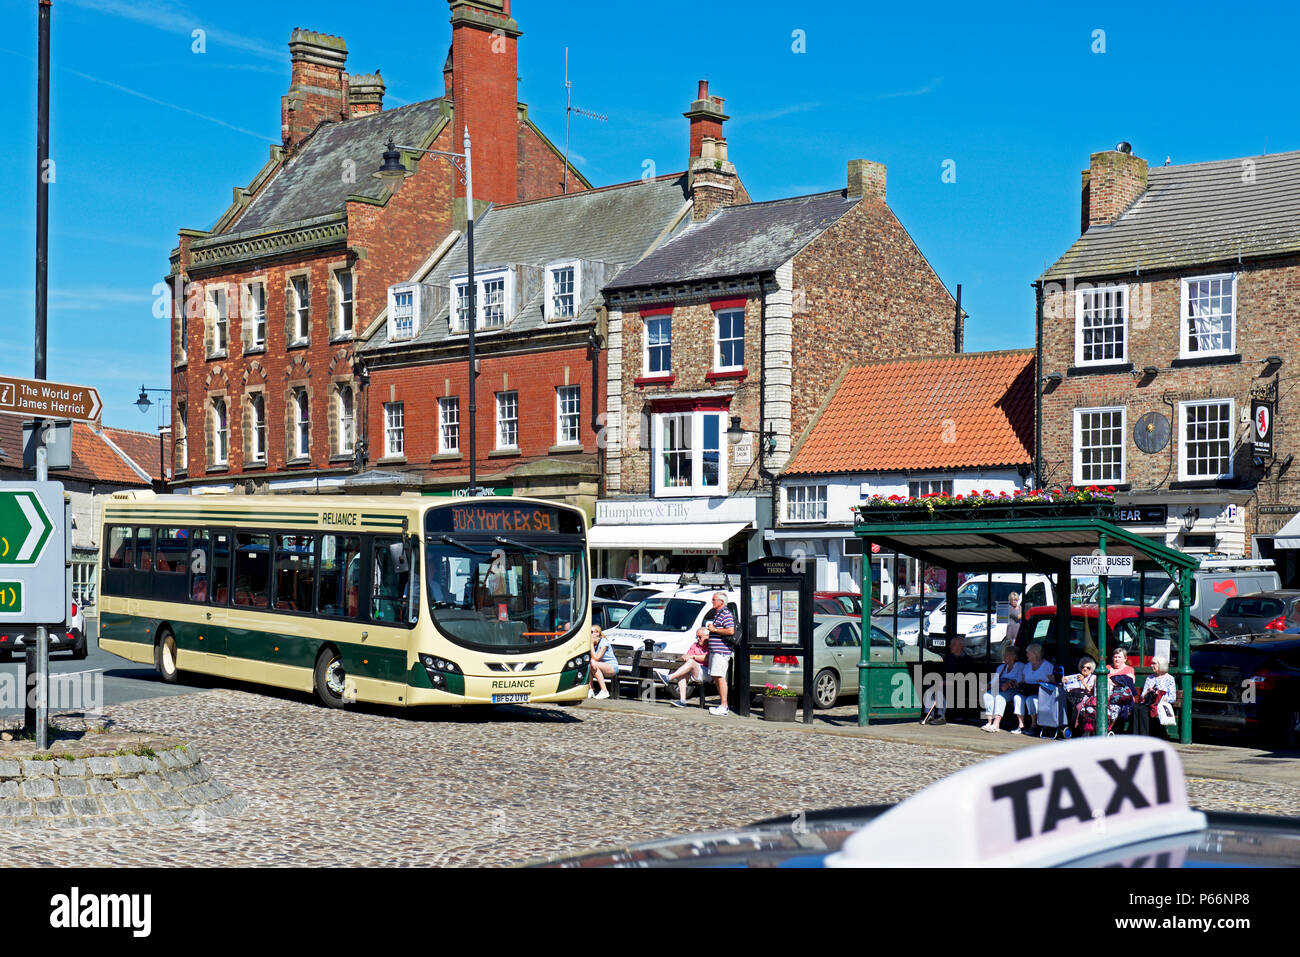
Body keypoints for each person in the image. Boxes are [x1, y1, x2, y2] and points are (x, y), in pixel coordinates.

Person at [926, 635, 975, 726]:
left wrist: (945, 682)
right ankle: (929, 715)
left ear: (961, 646)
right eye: (951, 644)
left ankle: (941, 716)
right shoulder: (949, 659)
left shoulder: (967, 661)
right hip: (948, 684)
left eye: (954, 644)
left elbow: (964, 679)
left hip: (962, 687)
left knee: (940, 689)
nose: (950, 646)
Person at [657, 628, 709, 707]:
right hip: (694, 673)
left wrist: (693, 657)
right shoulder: (694, 645)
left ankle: (668, 678)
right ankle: (682, 700)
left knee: (691, 662)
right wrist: (686, 657)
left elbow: (707, 658)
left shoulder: (711, 645)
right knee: (683, 673)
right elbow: (688, 657)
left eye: (700, 637)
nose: (698, 639)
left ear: (707, 636)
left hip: (707, 673)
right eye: (697, 637)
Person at [982, 644, 1026, 732]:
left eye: (1006, 654)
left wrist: (1008, 684)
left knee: (999, 697)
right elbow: (994, 680)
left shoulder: (1020, 666)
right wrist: (987, 686)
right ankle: (989, 722)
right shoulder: (1001, 667)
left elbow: (1019, 680)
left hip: (1013, 689)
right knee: (987, 695)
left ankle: (996, 723)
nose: (1004, 656)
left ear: (1013, 656)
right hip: (1000, 688)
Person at [705, 592, 736, 716]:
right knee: (716, 677)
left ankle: (724, 705)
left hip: (721, 651)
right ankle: (722, 705)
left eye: (714, 599)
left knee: (720, 677)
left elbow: (730, 630)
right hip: (715, 650)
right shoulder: (718, 614)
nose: (712, 601)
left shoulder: (726, 614)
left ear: (721, 602)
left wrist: (715, 630)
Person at [1134, 656, 1178, 739]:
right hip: (1149, 702)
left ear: (1161, 665)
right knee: (1136, 707)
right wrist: (1148, 691)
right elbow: (1142, 695)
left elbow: (1172, 697)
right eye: (1151, 663)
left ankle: (1144, 737)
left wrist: (1162, 696)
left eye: (1154, 663)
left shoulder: (1170, 679)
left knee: (1143, 710)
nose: (1151, 665)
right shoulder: (1150, 678)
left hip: (1160, 704)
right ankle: (1136, 736)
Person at [1018, 643, 1055, 735]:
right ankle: (1020, 725)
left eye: (1028, 653)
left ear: (1035, 653)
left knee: (1031, 700)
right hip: (1028, 691)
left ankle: (1034, 725)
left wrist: (1043, 682)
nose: (1026, 655)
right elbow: (1022, 681)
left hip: (1043, 693)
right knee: (1017, 698)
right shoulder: (1026, 666)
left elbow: (1053, 683)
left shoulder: (1047, 666)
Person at [588, 625, 619, 700]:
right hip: (598, 666)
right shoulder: (593, 644)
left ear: (597, 633)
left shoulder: (604, 642)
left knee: (593, 664)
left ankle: (604, 691)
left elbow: (596, 657)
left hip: (611, 667)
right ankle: (591, 689)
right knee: (589, 665)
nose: (590, 634)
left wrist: (591, 644)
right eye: (589, 632)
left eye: (592, 632)